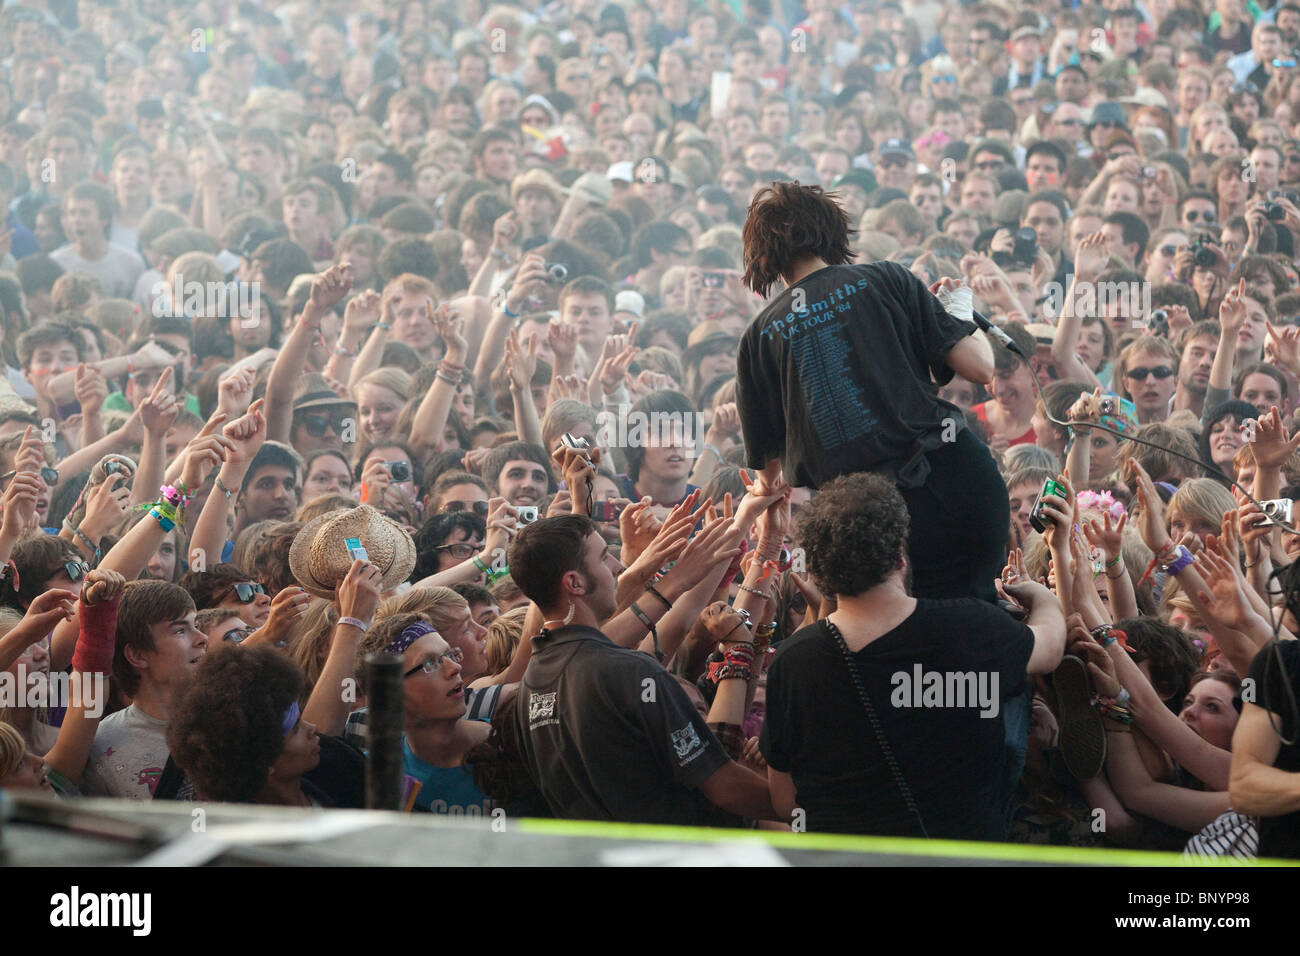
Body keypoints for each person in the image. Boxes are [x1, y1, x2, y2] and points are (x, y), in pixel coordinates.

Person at [737, 181, 1004, 602]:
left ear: (761, 254)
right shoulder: (888, 278)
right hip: (956, 479)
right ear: (833, 233)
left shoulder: (759, 336)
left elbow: (769, 479)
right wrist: (954, 309)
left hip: (859, 521)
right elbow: (981, 366)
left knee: (895, 641)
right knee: (980, 614)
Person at [761, 473, 1065, 837]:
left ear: (819, 570)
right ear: (899, 555)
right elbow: (1049, 648)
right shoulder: (971, 626)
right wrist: (1041, 596)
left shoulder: (792, 662)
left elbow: (784, 801)